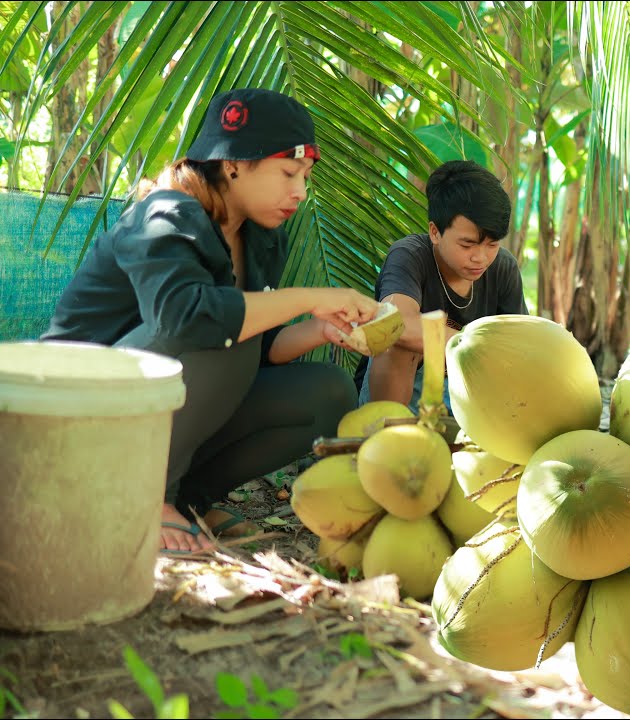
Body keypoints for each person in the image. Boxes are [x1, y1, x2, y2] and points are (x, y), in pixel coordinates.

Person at [43, 88, 380, 556]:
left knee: (327, 392)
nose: (300, 191)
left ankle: (187, 500)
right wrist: (313, 297)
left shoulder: (263, 239)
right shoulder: (163, 214)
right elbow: (191, 320)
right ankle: (145, 496)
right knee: (220, 329)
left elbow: (256, 350)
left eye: (305, 176)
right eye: (288, 172)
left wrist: (319, 329)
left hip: (158, 403)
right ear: (234, 163)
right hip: (64, 418)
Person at [354, 159, 526, 413]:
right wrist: (476, 349)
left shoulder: (503, 267)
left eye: (492, 244)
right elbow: (394, 324)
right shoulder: (410, 255)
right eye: (467, 245)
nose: (480, 258)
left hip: (471, 398)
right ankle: (389, 438)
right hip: (405, 395)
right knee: (397, 341)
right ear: (435, 232)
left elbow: (520, 347)